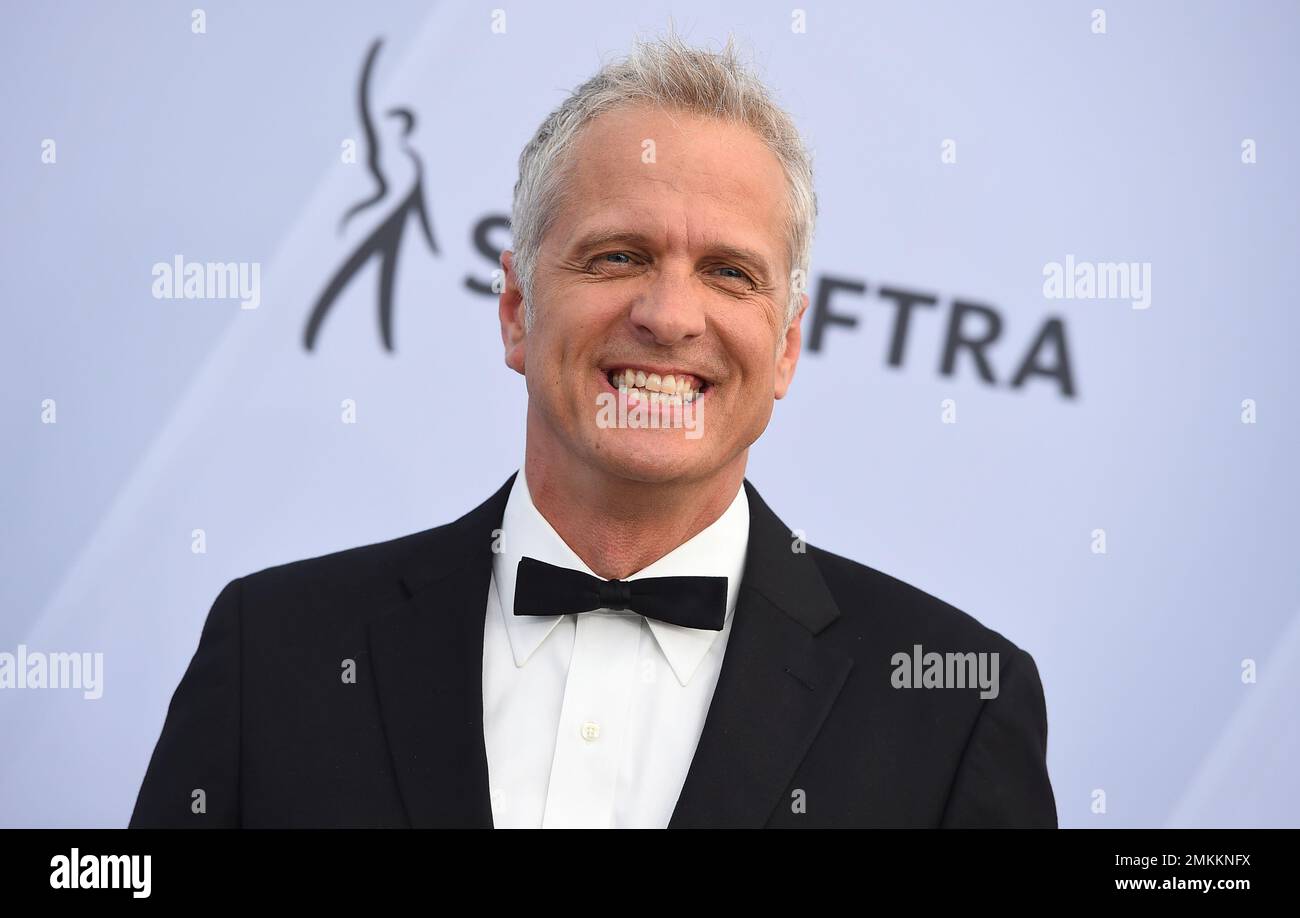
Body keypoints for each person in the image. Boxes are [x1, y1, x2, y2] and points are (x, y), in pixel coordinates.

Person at [130, 30, 1056, 829]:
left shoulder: (955, 706)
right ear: (516, 310)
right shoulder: (273, 652)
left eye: (731, 274)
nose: (668, 314)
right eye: (619, 255)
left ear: (786, 347)